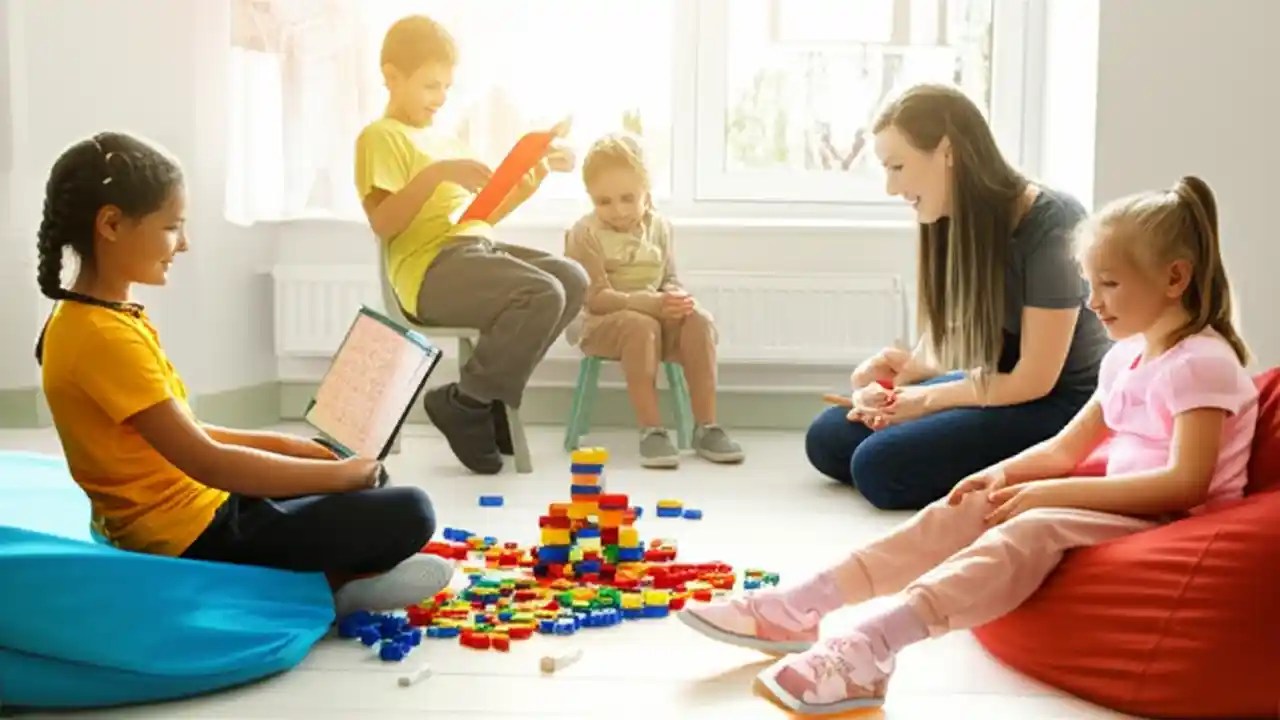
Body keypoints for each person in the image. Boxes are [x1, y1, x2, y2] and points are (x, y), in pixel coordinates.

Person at [678, 175, 1258, 714]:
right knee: (975, 502)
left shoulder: (1201, 364)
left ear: (1175, 279)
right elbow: (1062, 448)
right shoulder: (1130, 356)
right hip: (1121, 502)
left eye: (1108, 284)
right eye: (1090, 284)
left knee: (1030, 526)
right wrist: (1002, 477)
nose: (1092, 302)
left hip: (1170, 521)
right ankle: (800, 606)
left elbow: (1187, 484)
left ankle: (876, 646)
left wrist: (1044, 497)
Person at [35, 132, 451, 617]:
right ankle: (338, 587)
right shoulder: (103, 337)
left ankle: (340, 568)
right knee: (410, 509)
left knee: (358, 479)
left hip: (199, 509)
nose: (183, 244)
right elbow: (208, 461)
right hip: (195, 536)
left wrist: (296, 449)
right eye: (172, 227)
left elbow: (183, 434)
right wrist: (337, 477)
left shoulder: (96, 317)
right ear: (111, 223)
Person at [805, 83, 1113, 510]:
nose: (891, 188)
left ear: (947, 152)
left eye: (897, 166)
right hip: (994, 384)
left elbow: (1035, 379)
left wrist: (926, 400)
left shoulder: (1052, 222)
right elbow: (944, 346)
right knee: (829, 437)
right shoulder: (952, 216)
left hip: (1059, 402)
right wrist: (889, 383)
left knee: (878, 467)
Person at [354, 15, 587, 475]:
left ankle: (477, 399)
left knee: (572, 279)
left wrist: (532, 175)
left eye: (446, 87)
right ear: (390, 76)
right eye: (429, 86)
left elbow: (479, 216)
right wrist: (435, 174)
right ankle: (473, 402)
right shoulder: (380, 137)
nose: (440, 98)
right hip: (430, 272)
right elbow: (383, 222)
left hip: (472, 250)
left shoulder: (443, 137)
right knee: (542, 293)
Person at [564, 133, 744, 468]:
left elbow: (667, 278)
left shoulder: (659, 227)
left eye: (628, 198)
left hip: (653, 314)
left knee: (699, 321)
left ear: (647, 190)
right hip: (601, 322)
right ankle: (652, 430)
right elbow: (595, 298)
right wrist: (647, 303)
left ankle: (706, 426)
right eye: (604, 202)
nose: (617, 211)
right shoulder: (584, 233)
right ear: (590, 198)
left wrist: (675, 296)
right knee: (640, 324)